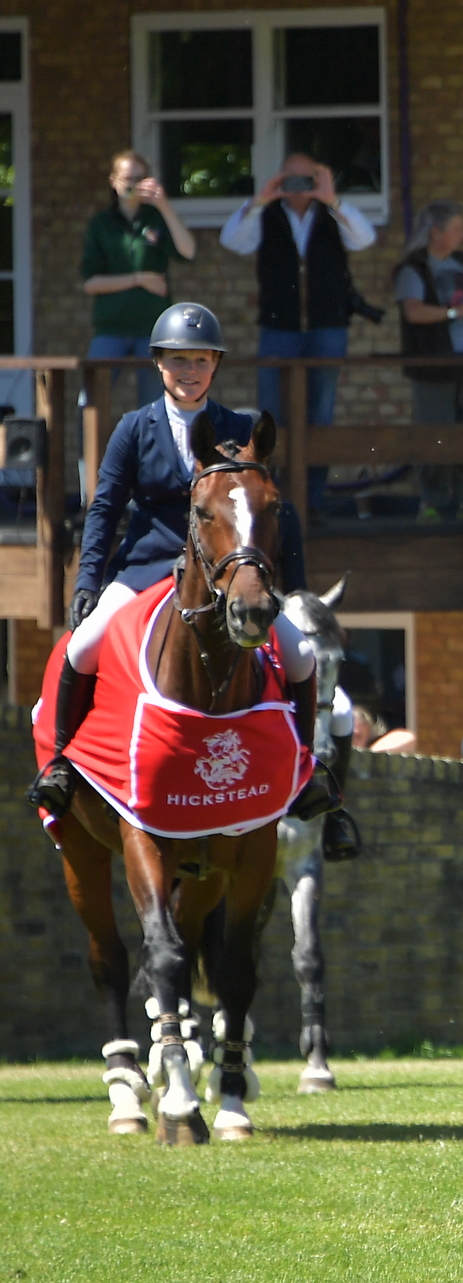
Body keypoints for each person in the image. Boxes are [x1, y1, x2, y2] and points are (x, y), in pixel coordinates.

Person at [25, 303, 335, 829]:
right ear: (158, 365)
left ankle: (307, 771)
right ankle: (60, 764)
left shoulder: (240, 427)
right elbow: (104, 508)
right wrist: (87, 583)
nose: (189, 371)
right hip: (145, 566)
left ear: (215, 365)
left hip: (225, 574)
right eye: (177, 360)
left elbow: (272, 510)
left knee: (302, 653)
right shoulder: (133, 428)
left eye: (200, 360)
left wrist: (297, 589)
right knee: (82, 644)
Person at [219, 151, 378, 515]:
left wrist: (331, 198)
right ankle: (269, 502)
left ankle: (312, 503)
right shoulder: (267, 214)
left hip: (327, 327)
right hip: (279, 327)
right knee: (270, 416)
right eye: (289, 179)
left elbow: (365, 239)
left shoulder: (333, 214)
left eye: (306, 179)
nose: (298, 188)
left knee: (320, 415)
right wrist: (259, 200)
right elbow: (233, 241)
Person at [394, 200, 463, 522]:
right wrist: (456, 312)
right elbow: (413, 311)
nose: (462, 235)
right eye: (456, 228)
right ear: (436, 232)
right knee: (435, 436)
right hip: (435, 364)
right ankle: (433, 502)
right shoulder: (415, 268)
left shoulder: (461, 263)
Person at [80, 150, 195, 409]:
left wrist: (164, 205)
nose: (133, 184)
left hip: (153, 328)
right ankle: (87, 451)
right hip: (111, 327)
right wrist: (139, 279)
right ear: (114, 180)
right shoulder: (101, 224)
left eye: (140, 178)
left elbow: (188, 251)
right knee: (90, 401)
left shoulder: (155, 219)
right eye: (127, 178)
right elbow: (90, 283)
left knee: (156, 404)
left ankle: (153, 451)